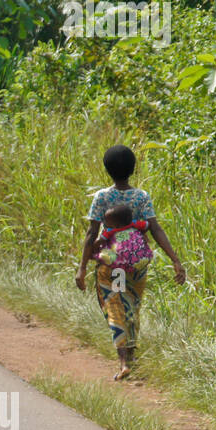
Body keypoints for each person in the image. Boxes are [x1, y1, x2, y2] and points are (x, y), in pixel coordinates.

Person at [76, 145, 186, 380]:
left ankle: (124, 361)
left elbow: (91, 232)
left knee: (115, 305)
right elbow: (155, 228)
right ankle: (132, 357)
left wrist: (82, 267)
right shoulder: (141, 196)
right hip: (137, 264)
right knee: (132, 306)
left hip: (113, 264)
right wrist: (175, 260)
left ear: (107, 170)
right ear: (133, 169)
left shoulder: (102, 197)